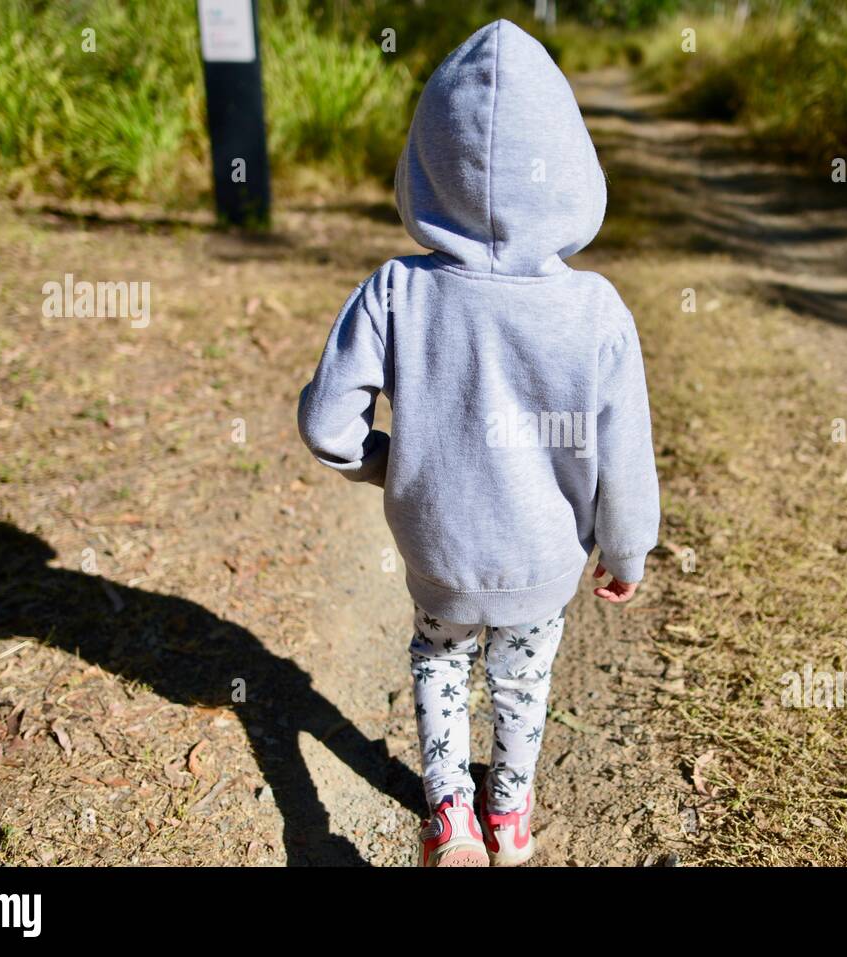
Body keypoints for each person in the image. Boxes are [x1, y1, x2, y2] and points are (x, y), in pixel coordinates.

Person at [297, 19, 659, 867]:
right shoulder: (596, 309)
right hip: (542, 557)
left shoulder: (395, 291)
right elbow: (626, 454)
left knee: (440, 662)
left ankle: (450, 818)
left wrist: (390, 464)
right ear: (572, 170)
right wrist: (626, 547)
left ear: (426, 165)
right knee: (522, 681)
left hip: (440, 548)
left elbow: (325, 425)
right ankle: (509, 818)